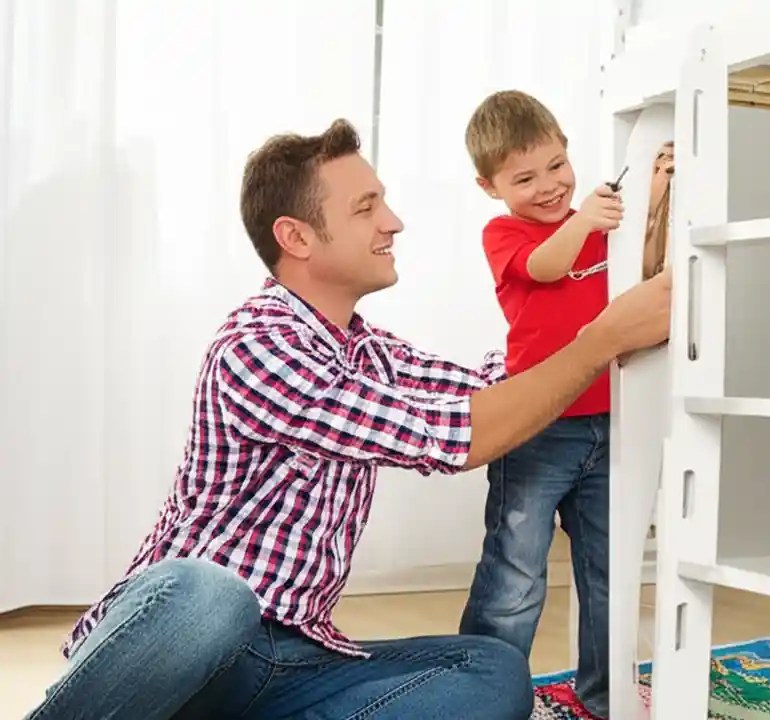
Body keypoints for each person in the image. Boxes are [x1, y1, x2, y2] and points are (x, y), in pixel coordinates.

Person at [23, 118, 670, 720]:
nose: (393, 222)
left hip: (296, 659)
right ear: (296, 236)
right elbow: (454, 438)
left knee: (494, 670)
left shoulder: (366, 351)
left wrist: (643, 254)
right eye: (366, 208)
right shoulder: (259, 344)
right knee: (211, 596)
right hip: (196, 644)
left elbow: (499, 386)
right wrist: (602, 341)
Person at [456, 90, 620, 717]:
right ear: (489, 185)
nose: (550, 186)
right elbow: (549, 267)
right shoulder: (504, 232)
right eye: (525, 178)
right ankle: (476, 695)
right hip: (538, 425)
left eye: (556, 166)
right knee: (515, 572)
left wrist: (656, 192)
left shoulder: (599, 226)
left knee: (606, 571)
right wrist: (584, 221)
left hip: (611, 424)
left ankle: (601, 699)